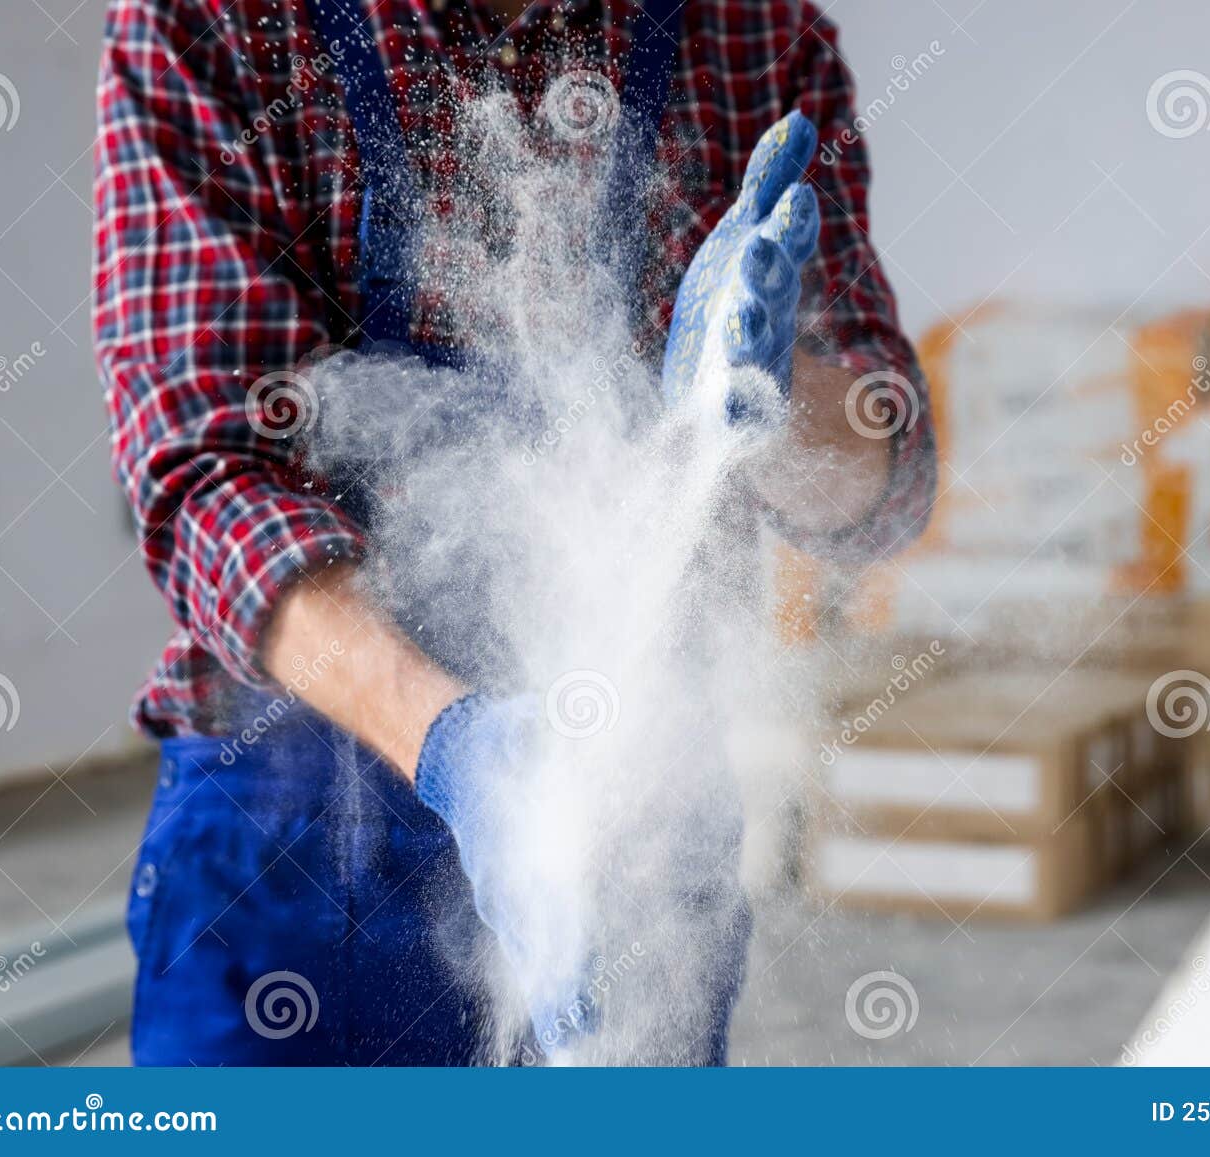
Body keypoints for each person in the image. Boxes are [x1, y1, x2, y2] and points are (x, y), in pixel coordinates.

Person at [94, 0, 935, 1066]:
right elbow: (204, 474)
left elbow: (884, 477)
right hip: (290, 844)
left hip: (630, 822)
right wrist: (467, 755)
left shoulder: (754, 32)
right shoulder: (211, 22)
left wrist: (770, 401)